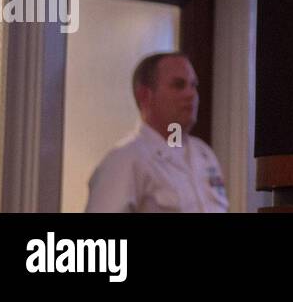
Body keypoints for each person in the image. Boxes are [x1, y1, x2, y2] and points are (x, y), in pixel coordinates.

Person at [84, 52, 229, 213]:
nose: (191, 94)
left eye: (193, 85)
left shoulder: (204, 154)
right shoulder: (124, 161)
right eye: (179, 85)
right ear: (145, 96)